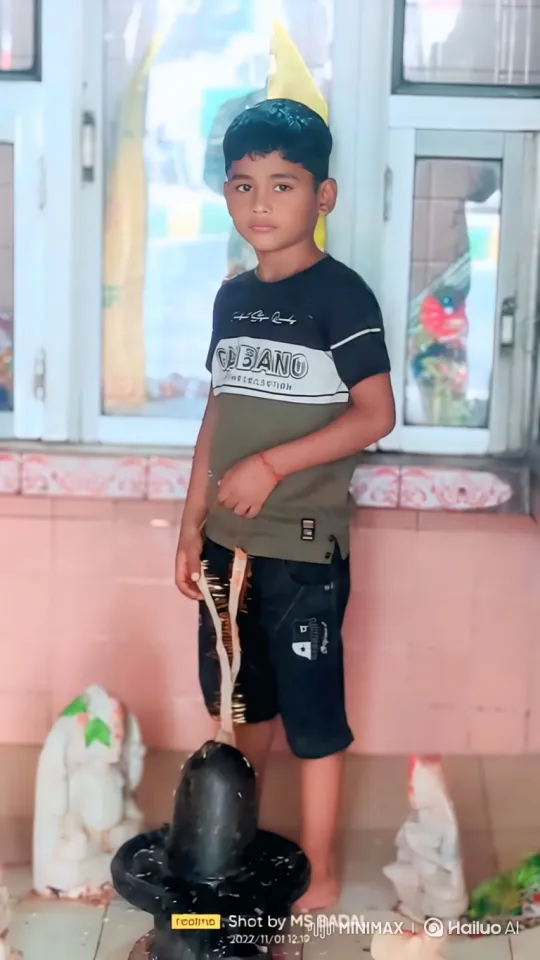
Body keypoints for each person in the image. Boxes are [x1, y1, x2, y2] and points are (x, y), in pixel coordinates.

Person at [174, 98, 395, 911]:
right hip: (224, 549)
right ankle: (238, 842)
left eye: (282, 184)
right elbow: (217, 411)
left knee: (311, 716)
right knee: (237, 703)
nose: (260, 205)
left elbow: (374, 415)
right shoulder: (231, 298)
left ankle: (322, 866)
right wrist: (188, 523)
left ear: (323, 196)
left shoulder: (340, 297)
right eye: (242, 186)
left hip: (302, 550)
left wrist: (271, 465)